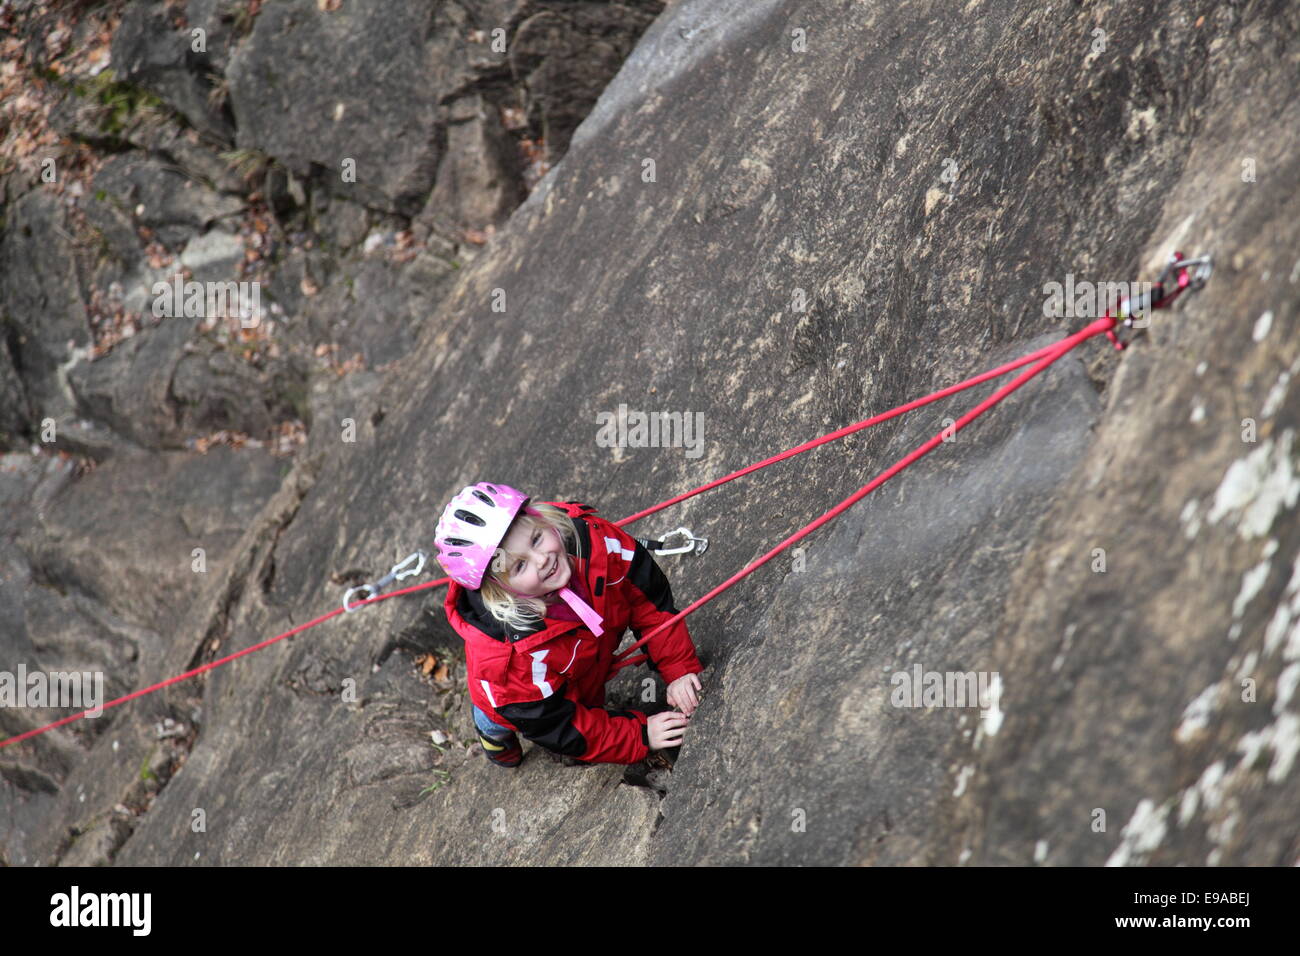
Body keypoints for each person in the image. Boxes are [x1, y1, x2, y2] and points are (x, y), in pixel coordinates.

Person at [435, 482, 704, 768]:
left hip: (577, 666)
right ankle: (492, 737)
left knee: (582, 698)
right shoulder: (509, 663)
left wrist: (678, 669)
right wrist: (639, 735)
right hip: (508, 701)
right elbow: (556, 725)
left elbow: (650, 605)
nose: (543, 559)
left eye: (537, 539)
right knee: (495, 722)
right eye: (519, 566)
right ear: (500, 592)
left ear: (543, 520)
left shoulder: (598, 544)